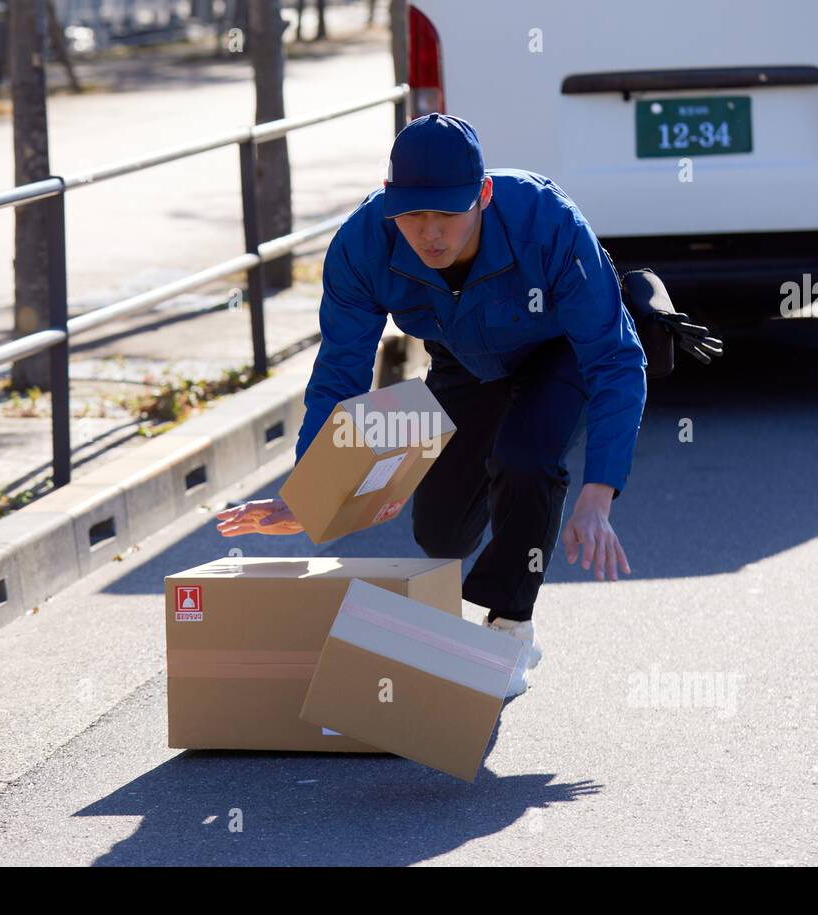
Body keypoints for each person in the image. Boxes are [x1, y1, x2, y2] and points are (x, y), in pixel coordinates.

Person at [216, 113, 647, 696]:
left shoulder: (548, 224)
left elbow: (615, 358)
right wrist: (314, 490)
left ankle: (510, 625)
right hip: (463, 357)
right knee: (440, 533)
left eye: (447, 213)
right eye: (413, 214)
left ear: (483, 195)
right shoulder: (362, 247)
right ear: (390, 203)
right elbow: (341, 372)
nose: (431, 234)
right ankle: (485, 542)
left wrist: (600, 494)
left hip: (556, 352)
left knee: (526, 456)